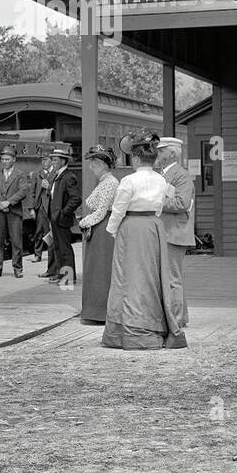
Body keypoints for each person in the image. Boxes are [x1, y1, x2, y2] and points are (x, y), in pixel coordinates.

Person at [102, 130, 187, 349]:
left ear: (136, 158)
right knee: (152, 276)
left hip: (131, 227)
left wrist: (112, 230)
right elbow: (160, 205)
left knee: (126, 277)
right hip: (153, 227)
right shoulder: (161, 179)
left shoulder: (128, 181)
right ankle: (154, 326)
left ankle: (124, 331)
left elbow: (118, 209)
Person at [77, 145, 120, 324]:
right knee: (96, 268)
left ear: (103, 163)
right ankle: (94, 310)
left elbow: (101, 211)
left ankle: (99, 312)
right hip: (100, 227)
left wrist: (83, 222)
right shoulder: (105, 181)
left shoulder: (110, 183)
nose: (90, 166)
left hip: (103, 228)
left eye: (94, 162)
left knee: (100, 269)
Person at [156, 136, 194, 329]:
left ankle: (176, 319)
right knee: (171, 277)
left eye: (161, 150)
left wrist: (155, 202)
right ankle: (179, 316)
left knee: (172, 278)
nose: (157, 153)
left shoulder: (181, 175)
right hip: (169, 232)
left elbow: (182, 203)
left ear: (172, 153)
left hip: (174, 232)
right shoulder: (166, 174)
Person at [0, 145, 29, 278]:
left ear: (14, 160)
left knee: (16, 241)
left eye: (7, 159)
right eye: (3, 159)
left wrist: (9, 202)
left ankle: (17, 268)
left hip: (14, 212)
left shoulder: (20, 174)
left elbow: (23, 191)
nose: (4, 162)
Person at [43, 144, 81, 284]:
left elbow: (76, 199)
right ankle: (61, 275)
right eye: (52, 160)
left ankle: (68, 278)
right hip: (54, 217)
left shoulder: (68, 177)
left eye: (55, 160)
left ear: (63, 161)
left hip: (60, 218)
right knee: (58, 248)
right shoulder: (58, 175)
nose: (53, 162)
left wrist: (63, 213)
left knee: (64, 249)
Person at [32, 153, 53, 264]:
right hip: (40, 207)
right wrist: (31, 208)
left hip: (51, 206)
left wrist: (48, 187)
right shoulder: (37, 174)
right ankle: (37, 254)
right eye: (42, 160)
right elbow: (32, 192)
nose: (43, 162)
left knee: (50, 231)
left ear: (51, 160)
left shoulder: (54, 174)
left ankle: (51, 253)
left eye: (46, 160)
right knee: (39, 231)